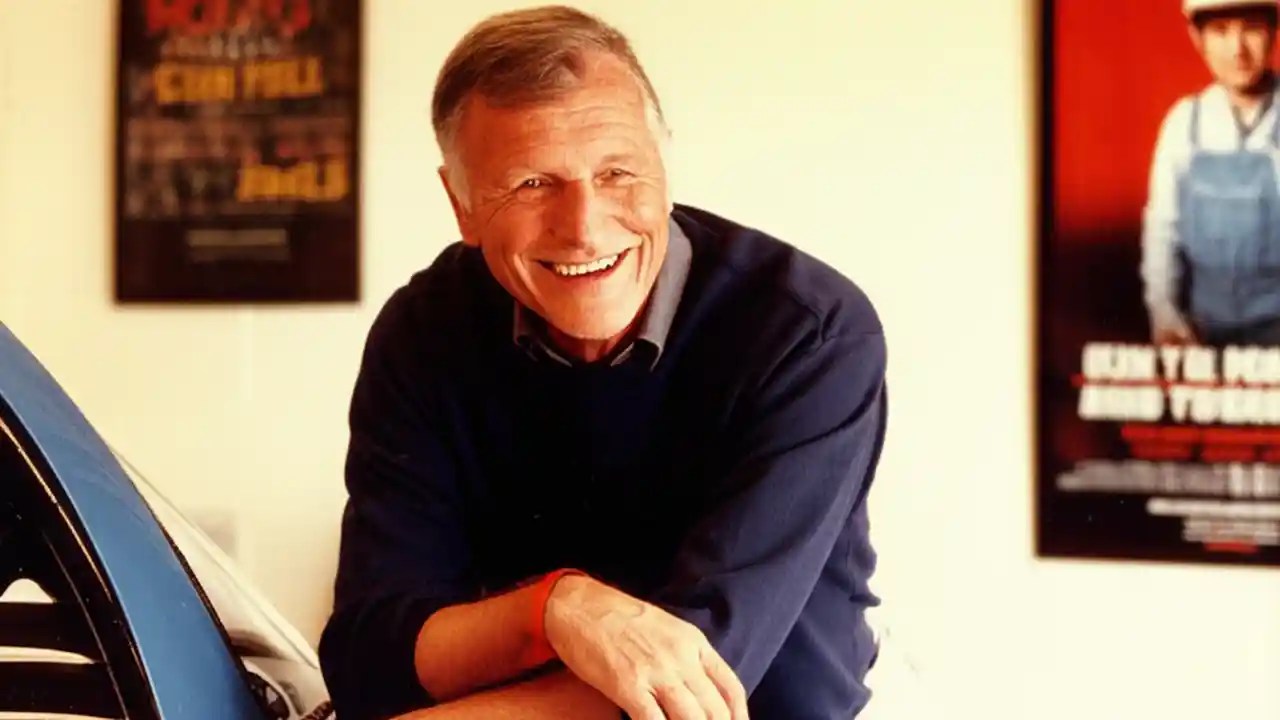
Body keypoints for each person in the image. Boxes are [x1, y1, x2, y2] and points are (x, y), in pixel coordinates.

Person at [318, 6, 888, 720]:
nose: (584, 228)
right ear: (461, 203)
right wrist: (552, 610)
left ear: (663, 167)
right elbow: (372, 659)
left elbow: (693, 687)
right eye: (532, 183)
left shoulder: (806, 331)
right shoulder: (422, 333)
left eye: (616, 171)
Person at [1142, 0, 1280, 347]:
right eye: (1220, 31)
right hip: (1201, 338)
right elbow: (1162, 231)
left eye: (1252, 28)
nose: (1238, 49)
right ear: (1196, 37)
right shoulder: (1184, 124)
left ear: (1274, 30)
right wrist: (1166, 316)